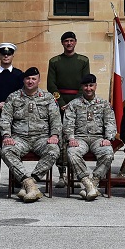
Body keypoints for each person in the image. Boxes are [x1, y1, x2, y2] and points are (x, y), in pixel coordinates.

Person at [0, 67, 61, 202]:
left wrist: (55, 135)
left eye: (33, 79)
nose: (30, 81)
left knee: (54, 150)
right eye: (28, 78)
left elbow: (55, 119)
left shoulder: (48, 97)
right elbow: (5, 119)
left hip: (41, 138)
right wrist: (6, 136)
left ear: (39, 80)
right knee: (6, 150)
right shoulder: (13, 97)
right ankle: (27, 182)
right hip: (19, 138)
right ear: (23, 80)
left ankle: (30, 182)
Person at [62, 73, 116, 201]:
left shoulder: (103, 104)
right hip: (79, 138)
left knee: (108, 153)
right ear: (82, 87)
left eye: (91, 85)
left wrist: (108, 138)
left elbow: (110, 122)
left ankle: (94, 181)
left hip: (98, 139)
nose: (88, 88)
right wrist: (71, 138)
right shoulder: (74, 104)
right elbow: (68, 123)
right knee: (72, 152)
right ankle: (87, 182)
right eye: (86, 86)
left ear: (95, 86)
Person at [47, 31, 90, 187]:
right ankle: (62, 175)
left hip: (78, 103)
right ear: (62, 43)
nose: (69, 43)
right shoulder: (55, 61)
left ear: (76, 42)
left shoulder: (83, 61)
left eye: (71, 40)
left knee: (76, 138)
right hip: (59, 103)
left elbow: (85, 84)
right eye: (66, 41)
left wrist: (74, 103)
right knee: (60, 138)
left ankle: (77, 174)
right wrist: (61, 103)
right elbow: (51, 85)